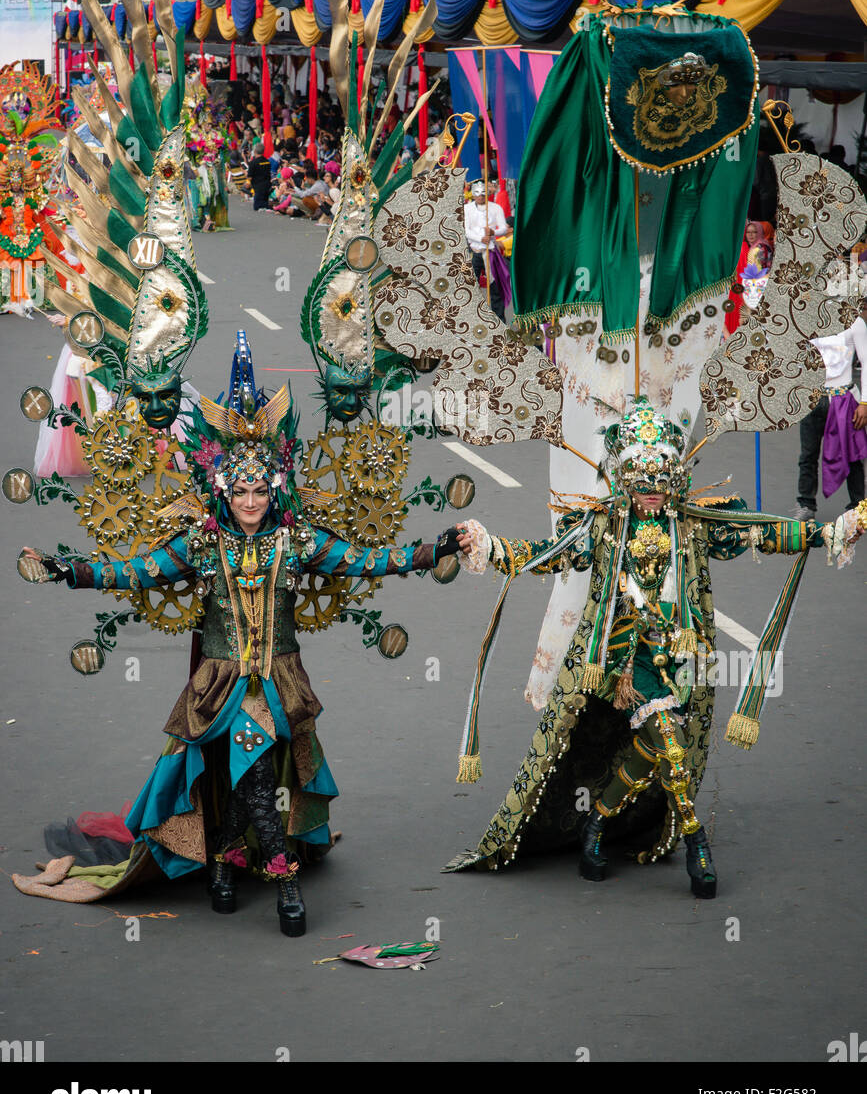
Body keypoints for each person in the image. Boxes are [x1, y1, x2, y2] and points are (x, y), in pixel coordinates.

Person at [16, 338, 464, 935]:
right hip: (219, 685)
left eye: (260, 491)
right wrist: (63, 568)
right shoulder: (201, 545)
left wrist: (432, 551)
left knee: (251, 769)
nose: (251, 502)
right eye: (240, 491)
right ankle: (282, 881)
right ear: (224, 490)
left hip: (278, 682)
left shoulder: (296, 541)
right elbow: (132, 571)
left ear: (273, 490)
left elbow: (365, 560)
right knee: (248, 771)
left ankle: (229, 861)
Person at [448, 397, 863, 897]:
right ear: (623, 482)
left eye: (661, 482)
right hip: (624, 660)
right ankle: (697, 843)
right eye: (641, 484)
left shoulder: (694, 522)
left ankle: (597, 823)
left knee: (657, 749)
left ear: (675, 479)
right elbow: (545, 556)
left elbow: (765, 531)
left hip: (685, 660)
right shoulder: (602, 525)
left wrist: (832, 531)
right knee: (667, 733)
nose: (651, 493)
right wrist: (489, 545)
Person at [795, 300, 867, 519]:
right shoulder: (808, 319)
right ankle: (806, 504)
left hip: (844, 399)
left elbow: (866, 362)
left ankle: (858, 506)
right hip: (813, 397)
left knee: (852, 455)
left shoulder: (856, 323)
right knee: (808, 455)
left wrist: (865, 403)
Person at [463, 180, 510, 321]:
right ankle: (471, 321)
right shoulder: (467, 209)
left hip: (492, 254)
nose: (480, 196)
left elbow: (504, 227)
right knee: (469, 288)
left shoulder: (495, 208)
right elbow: (466, 230)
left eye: (483, 192)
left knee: (495, 289)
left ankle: (499, 321)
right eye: (477, 193)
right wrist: (479, 238)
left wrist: (493, 232)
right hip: (475, 253)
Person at [247, 140, 273, 212]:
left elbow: (250, 176)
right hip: (267, 185)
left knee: (257, 207)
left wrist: (247, 184)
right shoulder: (267, 161)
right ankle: (267, 205)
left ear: (255, 151)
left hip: (258, 187)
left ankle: (267, 205)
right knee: (264, 202)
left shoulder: (253, 162)